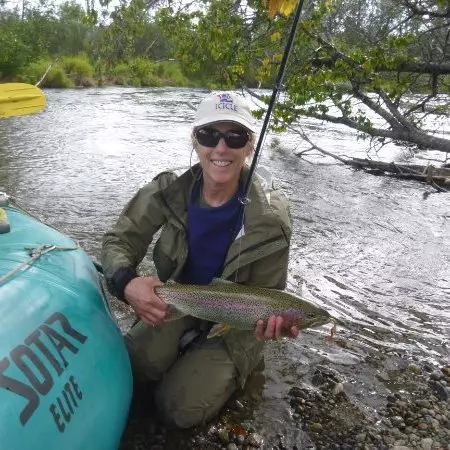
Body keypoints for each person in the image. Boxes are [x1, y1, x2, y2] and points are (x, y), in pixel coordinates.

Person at [101, 91, 297, 429]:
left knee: (176, 409)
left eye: (234, 136)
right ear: (195, 141)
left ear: (249, 146)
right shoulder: (169, 189)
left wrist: (266, 328)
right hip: (182, 300)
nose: (221, 148)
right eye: (209, 135)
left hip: (235, 326)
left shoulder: (271, 219)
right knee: (130, 370)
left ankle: (236, 373)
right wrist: (126, 282)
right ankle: (182, 344)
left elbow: (269, 296)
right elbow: (119, 240)